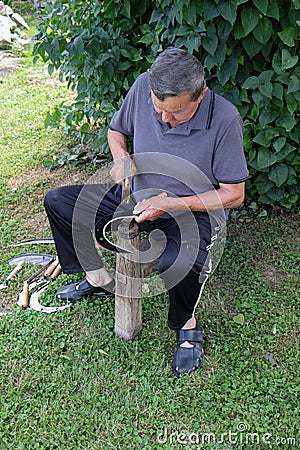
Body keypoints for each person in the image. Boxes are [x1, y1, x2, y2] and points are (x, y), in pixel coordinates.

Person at [44, 48, 248, 377]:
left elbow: (234, 194)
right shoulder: (142, 86)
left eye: (177, 114)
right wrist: (122, 158)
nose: (165, 120)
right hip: (137, 194)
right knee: (60, 202)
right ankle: (97, 278)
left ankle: (186, 325)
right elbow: (116, 132)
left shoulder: (224, 118)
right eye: (158, 109)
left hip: (189, 209)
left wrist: (174, 204)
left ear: (201, 95)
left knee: (177, 262)